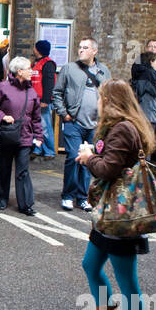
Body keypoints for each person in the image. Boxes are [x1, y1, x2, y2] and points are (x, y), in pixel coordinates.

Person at [72, 80, 156, 310]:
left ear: (109, 100)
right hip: (109, 214)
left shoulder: (123, 129)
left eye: (100, 97)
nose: (97, 101)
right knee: (91, 265)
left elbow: (109, 169)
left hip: (122, 216)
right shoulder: (121, 126)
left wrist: (88, 158)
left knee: (127, 281)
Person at [53, 37, 110, 212]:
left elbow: (109, 93)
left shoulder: (103, 71)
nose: (81, 50)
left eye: (85, 47)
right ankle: (68, 195)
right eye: (79, 47)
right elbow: (57, 93)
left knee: (89, 160)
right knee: (72, 157)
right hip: (74, 122)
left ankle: (83, 196)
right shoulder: (69, 69)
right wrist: (64, 114)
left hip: (94, 125)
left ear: (94, 51)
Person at [0, 55, 43, 214]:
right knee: (4, 168)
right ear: (19, 71)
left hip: (25, 137)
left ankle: (26, 204)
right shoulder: (2, 87)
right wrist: (2, 116)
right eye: (28, 69)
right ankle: (0, 199)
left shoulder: (32, 91)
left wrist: (39, 136)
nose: (31, 71)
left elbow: (36, 117)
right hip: (7, 135)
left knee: (23, 171)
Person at [131, 51, 156, 144]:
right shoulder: (149, 74)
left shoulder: (138, 73)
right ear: (151, 62)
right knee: (148, 143)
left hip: (140, 111)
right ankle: (145, 159)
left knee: (140, 141)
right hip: (149, 112)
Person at [31, 40, 57, 158]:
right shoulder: (37, 63)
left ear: (38, 50)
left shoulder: (48, 64)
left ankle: (50, 151)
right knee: (36, 126)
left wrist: (45, 100)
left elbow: (49, 83)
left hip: (42, 102)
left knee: (45, 126)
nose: (33, 50)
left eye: (35, 48)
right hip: (34, 100)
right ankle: (38, 148)